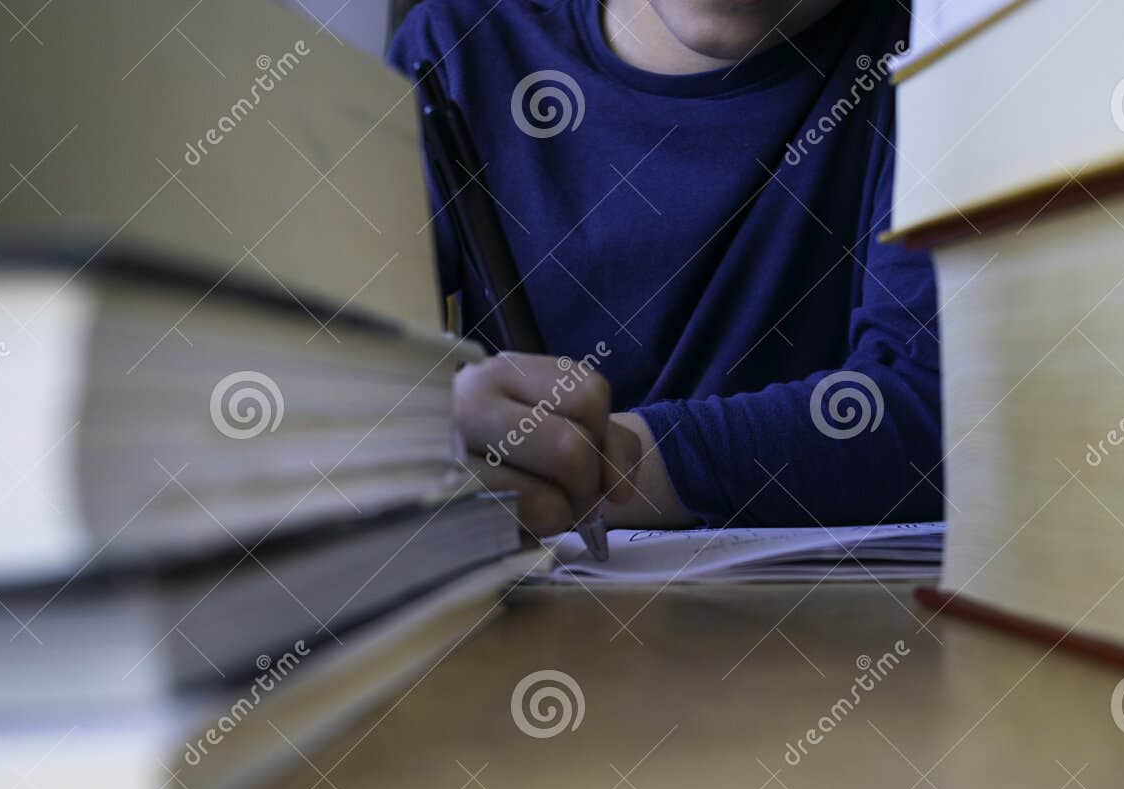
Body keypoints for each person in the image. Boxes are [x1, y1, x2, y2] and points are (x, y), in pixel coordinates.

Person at [390, 0, 940, 534]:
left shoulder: (943, 42)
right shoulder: (454, 48)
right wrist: (425, 438)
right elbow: (335, 393)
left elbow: (940, 414)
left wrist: (606, 462)